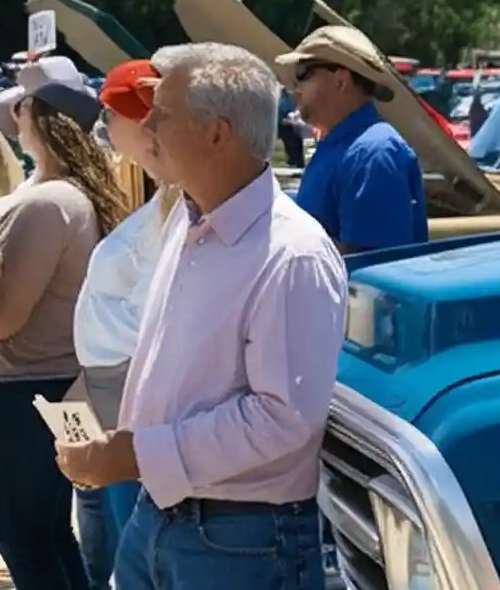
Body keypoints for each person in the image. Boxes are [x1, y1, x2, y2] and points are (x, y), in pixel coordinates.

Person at [55, 43, 348, 590]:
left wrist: (136, 452)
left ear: (217, 132)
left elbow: (282, 418)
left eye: (162, 115)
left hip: (241, 542)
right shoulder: (189, 224)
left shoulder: (291, 255)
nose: (149, 129)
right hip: (172, 518)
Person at [0, 79, 128, 590]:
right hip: (49, 387)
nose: (13, 115)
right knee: (46, 533)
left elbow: (4, 320)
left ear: (39, 119)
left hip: (18, 391)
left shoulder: (47, 204)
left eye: (21, 106)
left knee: (23, 535)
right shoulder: (71, 197)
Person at [70, 60, 181, 589]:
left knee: (132, 555)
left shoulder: (180, 204)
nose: (104, 131)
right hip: (116, 394)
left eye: (109, 116)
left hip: (134, 400)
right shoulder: (167, 199)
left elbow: (162, 312)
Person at [276, 26, 428, 254]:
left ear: (340, 80)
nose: (295, 90)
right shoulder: (345, 147)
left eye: (303, 75)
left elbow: (368, 266)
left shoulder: (374, 153)